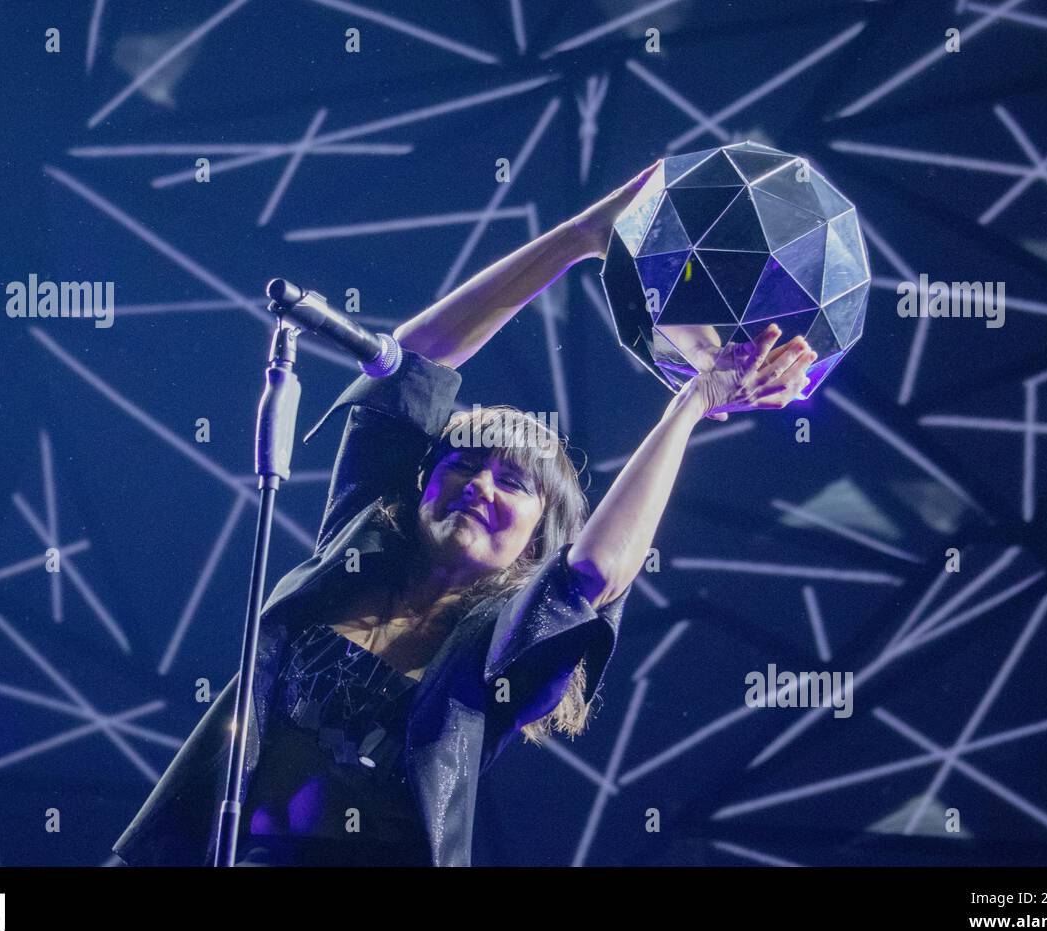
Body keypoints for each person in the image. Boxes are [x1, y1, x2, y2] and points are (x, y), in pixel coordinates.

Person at [110, 160, 816, 867]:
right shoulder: (356, 547)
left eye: (514, 483)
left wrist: (691, 404)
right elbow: (409, 366)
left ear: (536, 542)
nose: (480, 484)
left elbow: (595, 573)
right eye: (466, 462)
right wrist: (578, 237)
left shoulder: (494, 654)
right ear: (419, 486)